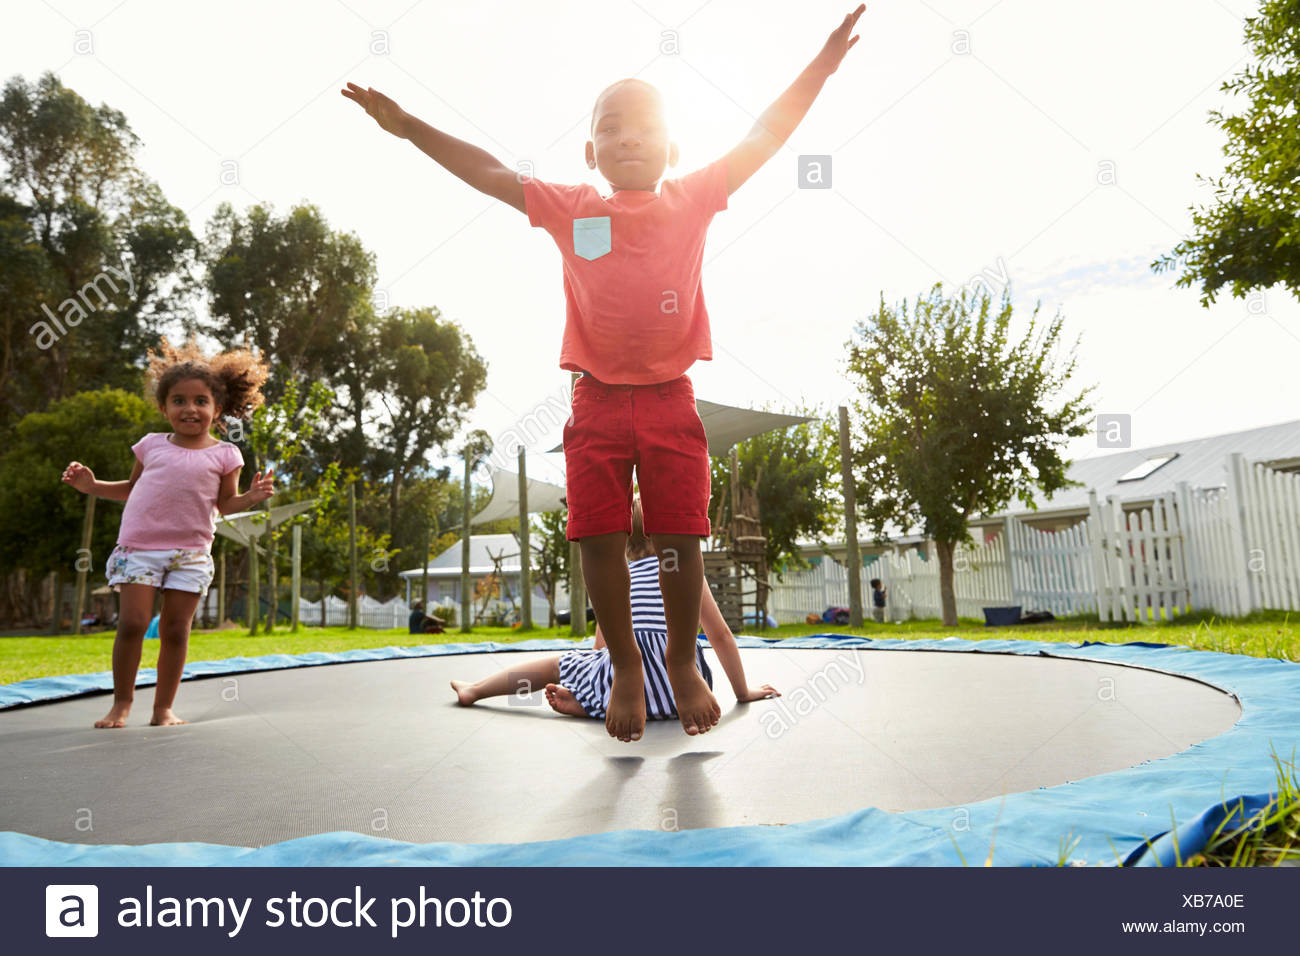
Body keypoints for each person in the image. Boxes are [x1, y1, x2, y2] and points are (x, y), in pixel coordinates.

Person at [343, 5, 863, 741]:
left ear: (672, 147)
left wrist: (820, 66)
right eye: (611, 128)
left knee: (682, 537)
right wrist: (409, 127)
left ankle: (681, 660)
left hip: (669, 399)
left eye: (644, 127)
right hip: (595, 401)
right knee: (597, 536)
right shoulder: (572, 207)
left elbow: (764, 136)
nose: (628, 138)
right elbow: (489, 172)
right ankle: (622, 661)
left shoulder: (694, 198)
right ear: (590, 151)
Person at [61, 337, 273, 728]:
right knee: (133, 623)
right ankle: (121, 704)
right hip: (139, 548)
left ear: (217, 408)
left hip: (190, 552)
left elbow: (225, 506)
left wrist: (253, 497)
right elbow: (130, 489)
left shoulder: (226, 454)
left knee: (176, 629)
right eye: (178, 400)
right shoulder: (151, 446)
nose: (189, 408)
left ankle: (163, 709)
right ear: (164, 407)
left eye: (200, 401)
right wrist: (92, 486)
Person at [450, 496, 778, 719]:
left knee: (556, 664)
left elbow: (603, 644)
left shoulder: (616, 580)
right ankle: (594, 702)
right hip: (683, 697)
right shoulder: (685, 572)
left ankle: (477, 690)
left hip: (629, 697)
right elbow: (719, 635)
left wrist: (590, 680)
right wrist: (742, 691)